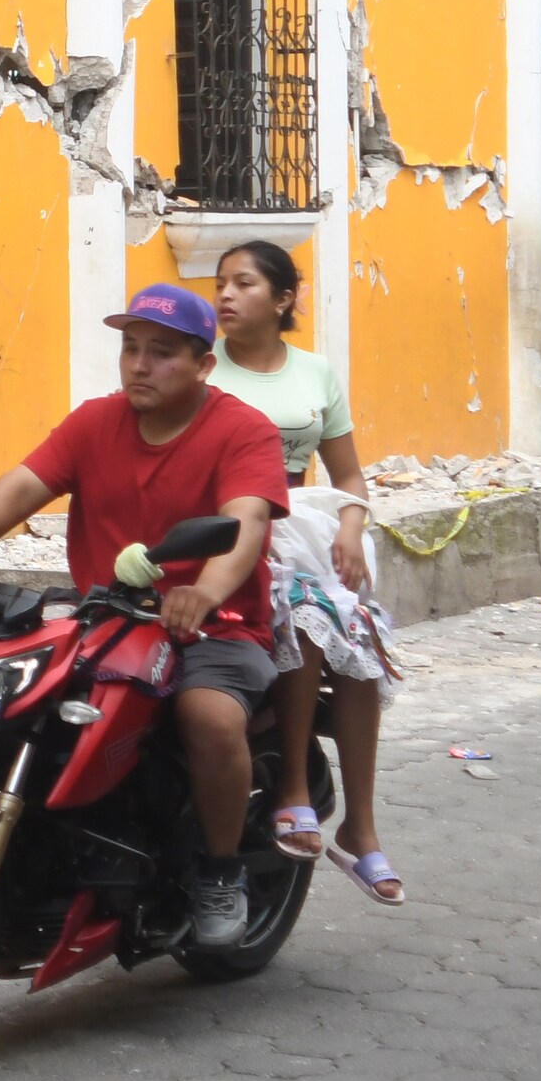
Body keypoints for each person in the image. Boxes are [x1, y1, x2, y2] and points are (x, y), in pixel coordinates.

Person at [0, 283, 288, 949]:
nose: (139, 365)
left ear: (203, 364)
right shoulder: (95, 422)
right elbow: (25, 486)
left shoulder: (241, 430)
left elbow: (245, 522)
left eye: (162, 353)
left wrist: (203, 590)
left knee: (209, 714)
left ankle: (220, 871)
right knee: (20, 699)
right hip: (107, 619)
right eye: (131, 349)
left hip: (215, 625)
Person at [208, 240, 403, 906]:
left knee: (358, 636)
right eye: (220, 283)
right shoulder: (202, 370)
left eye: (244, 283)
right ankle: (292, 785)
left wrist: (351, 524)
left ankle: (362, 825)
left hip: (306, 520)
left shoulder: (316, 372)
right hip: (232, 525)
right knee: (310, 615)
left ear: (284, 298)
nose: (226, 295)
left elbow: (349, 476)